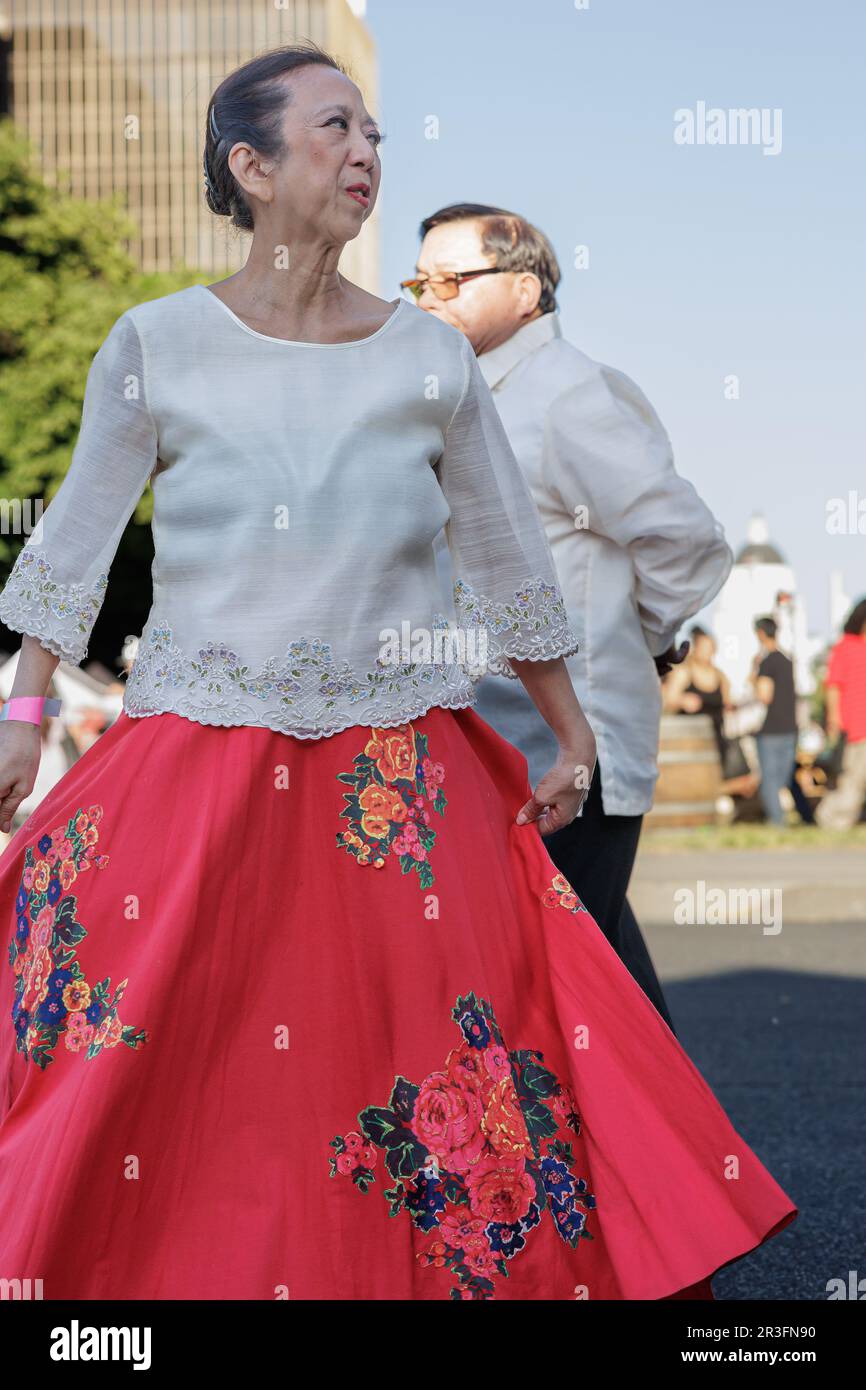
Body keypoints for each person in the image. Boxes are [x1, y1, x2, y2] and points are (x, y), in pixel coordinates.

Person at [0, 45, 795, 1301]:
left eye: (373, 129)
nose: (367, 150)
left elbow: (506, 562)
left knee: (426, 1058)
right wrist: (24, 719)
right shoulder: (156, 342)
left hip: (400, 787)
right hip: (200, 760)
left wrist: (567, 734)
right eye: (335, 128)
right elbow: (69, 550)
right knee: (169, 1056)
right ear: (250, 167)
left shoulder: (425, 362)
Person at [407, 207, 732, 1038]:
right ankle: (675, 1160)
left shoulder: (568, 393)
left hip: (568, 748)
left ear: (526, 289)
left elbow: (687, 543)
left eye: (451, 281)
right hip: (487, 738)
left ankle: (631, 1162)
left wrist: (641, 641)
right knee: (596, 978)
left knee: (549, 983)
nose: (427, 299)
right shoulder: (462, 400)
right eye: (418, 283)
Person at [664, 625, 759, 800]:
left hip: (716, 736)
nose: (708, 652)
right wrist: (683, 700)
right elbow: (668, 698)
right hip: (689, 738)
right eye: (705, 648)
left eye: (711, 648)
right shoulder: (684, 672)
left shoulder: (720, 675)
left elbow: (728, 703)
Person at [816, 597, 866, 828]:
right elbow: (833, 685)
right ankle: (831, 819)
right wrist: (834, 719)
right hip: (853, 726)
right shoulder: (845, 646)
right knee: (852, 778)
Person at [750, 617, 799, 826]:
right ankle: (784, 818)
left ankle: (777, 822)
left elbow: (764, 695)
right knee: (783, 777)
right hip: (790, 728)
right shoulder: (787, 661)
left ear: (760, 633)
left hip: (770, 730)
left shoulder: (766, 662)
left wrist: (753, 675)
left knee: (769, 780)